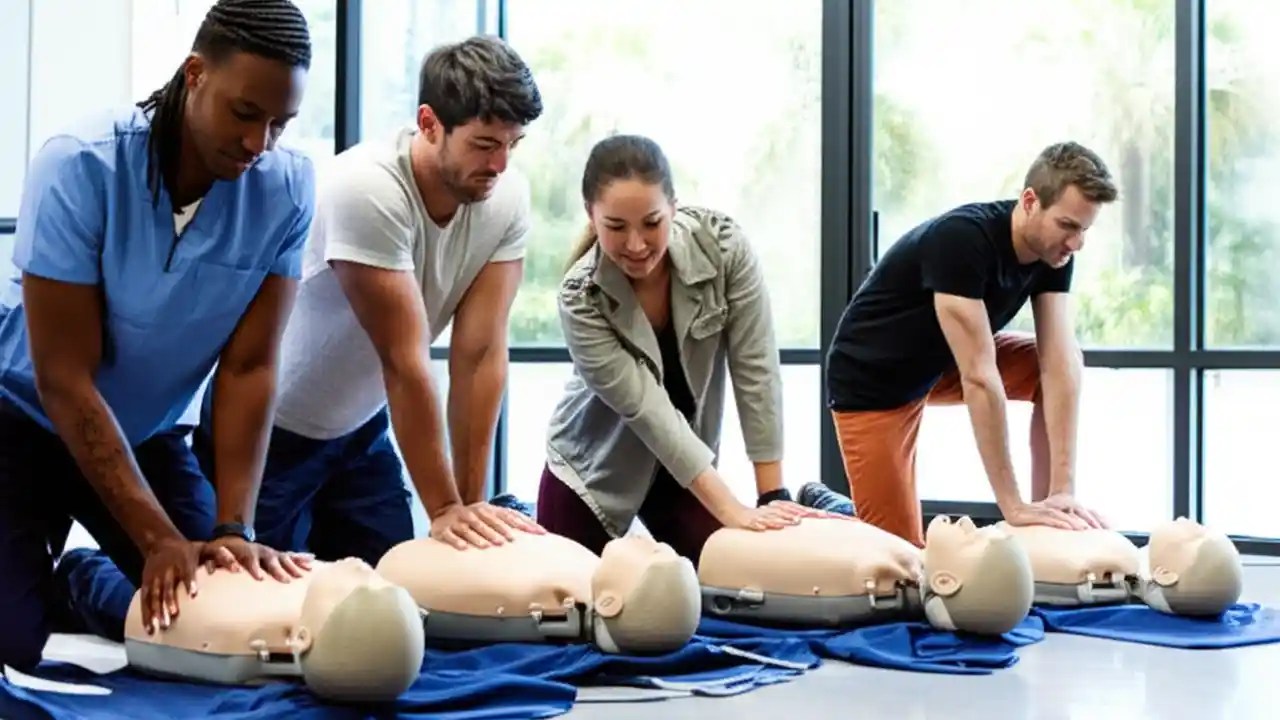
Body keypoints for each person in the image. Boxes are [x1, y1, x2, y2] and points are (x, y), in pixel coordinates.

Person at [0, 0, 316, 671]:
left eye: (279, 124)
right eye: (244, 113)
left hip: (143, 431)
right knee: (14, 645)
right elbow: (63, 377)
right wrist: (156, 537)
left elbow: (250, 368)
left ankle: (85, 580)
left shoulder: (286, 189)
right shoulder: (79, 165)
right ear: (195, 73)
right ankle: (58, 582)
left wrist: (234, 526)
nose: (259, 144)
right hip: (20, 419)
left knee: (222, 608)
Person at [190, 35, 545, 567]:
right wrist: (443, 506)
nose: (499, 164)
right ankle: (90, 574)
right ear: (429, 124)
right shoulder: (368, 188)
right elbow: (404, 359)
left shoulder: (505, 197)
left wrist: (469, 508)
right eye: (484, 143)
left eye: (512, 145)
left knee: (390, 600)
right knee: (229, 600)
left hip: (360, 428)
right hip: (268, 431)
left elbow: (479, 354)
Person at [812, 141, 1117, 548]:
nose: (1076, 242)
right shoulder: (962, 240)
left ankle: (1051, 512)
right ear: (1030, 201)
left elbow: (1059, 360)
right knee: (901, 561)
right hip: (874, 381)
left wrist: (1062, 491)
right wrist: (1012, 506)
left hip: (940, 363)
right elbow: (980, 378)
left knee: (1056, 364)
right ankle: (833, 509)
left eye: (1084, 229)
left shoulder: (1055, 254)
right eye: (1067, 225)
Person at [535, 134, 821, 566]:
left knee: (739, 573)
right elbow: (647, 411)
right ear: (590, 216)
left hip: (686, 471)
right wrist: (731, 509)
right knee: (571, 596)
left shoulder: (723, 248)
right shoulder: (580, 296)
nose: (635, 244)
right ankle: (517, 516)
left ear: (674, 206)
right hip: (592, 470)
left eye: (652, 223)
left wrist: (771, 497)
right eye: (615, 227)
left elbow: (756, 369)